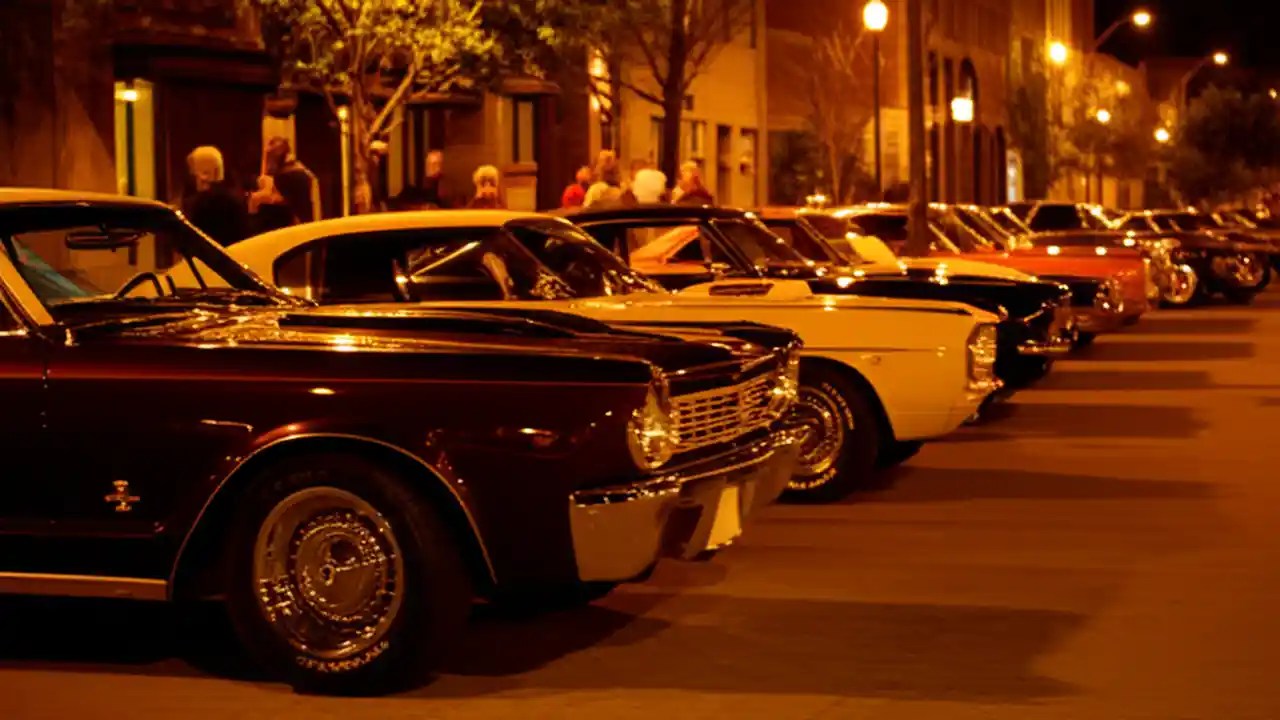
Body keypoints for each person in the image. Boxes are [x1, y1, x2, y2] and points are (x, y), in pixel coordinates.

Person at [181, 146, 250, 246]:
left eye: (194, 172)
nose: (191, 175)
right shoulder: (236, 198)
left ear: (205, 174)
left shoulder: (202, 205)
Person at [264, 136, 321, 222]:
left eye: (269, 156)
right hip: (305, 221)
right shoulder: (301, 170)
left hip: (294, 224)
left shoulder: (286, 176)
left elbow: (282, 204)